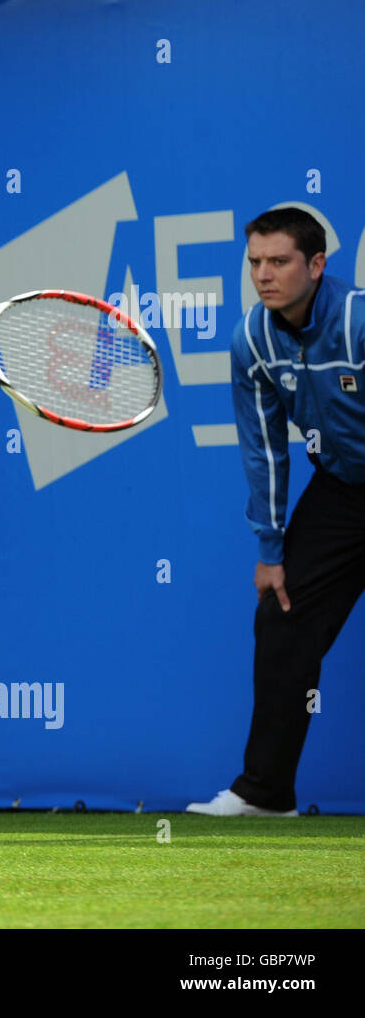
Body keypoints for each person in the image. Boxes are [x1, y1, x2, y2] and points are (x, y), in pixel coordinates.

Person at [187, 207, 365, 817]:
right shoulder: (252, 340)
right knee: (281, 616)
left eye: (280, 261)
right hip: (343, 492)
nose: (264, 275)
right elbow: (264, 449)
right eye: (255, 263)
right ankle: (265, 795)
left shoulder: (358, 321)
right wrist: (270, 549)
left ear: (316, 265)